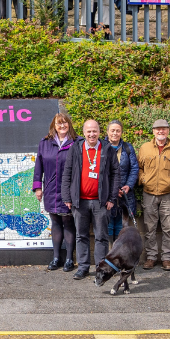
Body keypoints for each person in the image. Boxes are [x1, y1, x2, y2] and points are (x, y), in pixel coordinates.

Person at [60, 119, 118, 280]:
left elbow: (115, 174)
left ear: (100, 132)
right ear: (84, 132)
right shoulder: (75, 149)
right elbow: (67, 173)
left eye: (95, 131)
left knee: (101, 236)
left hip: (101, 202)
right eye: (89, 131)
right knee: (81, 235)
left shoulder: (107, 149)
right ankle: (83, 267)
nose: (92, 134)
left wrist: (112, 198)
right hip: (80, 201)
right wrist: (67, 196)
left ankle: (101, 268)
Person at [33, 113, 79, 272]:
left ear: (69, 125)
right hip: (51, 189)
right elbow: (38, 166)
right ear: (54, 126)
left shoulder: (77, 142)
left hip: (69, 190)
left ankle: (69, 259)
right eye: (59, 124)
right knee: (56, 223)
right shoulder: (45, 143)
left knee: (68, 222)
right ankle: (56, 257)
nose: (62, 126)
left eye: (65, 123)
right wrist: (38, 187)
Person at [137, 119, 170, 271]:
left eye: (163, 129)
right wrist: (143, 179)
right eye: (157, 129)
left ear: (168, 131)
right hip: (149, 193)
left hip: (168, 194)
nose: (160, 132)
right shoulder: (144, 148)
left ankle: (166, 258)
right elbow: (139, 168)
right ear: (153, 131)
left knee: (168, 227)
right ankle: (151, 257)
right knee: (149, 227)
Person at [104, 120, 138, 242]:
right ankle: (108, 256)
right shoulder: (101, 147)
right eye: (112, 130)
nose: (115, 133)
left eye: (118, 131)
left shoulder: (128, 148)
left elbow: (134, 168)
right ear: (107, 131)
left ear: (121, 132)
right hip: (107, 195)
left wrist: (128, 185)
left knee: (121, 226)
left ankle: (119, 256)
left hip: (124, 195)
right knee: (107, 226)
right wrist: (112, 190)